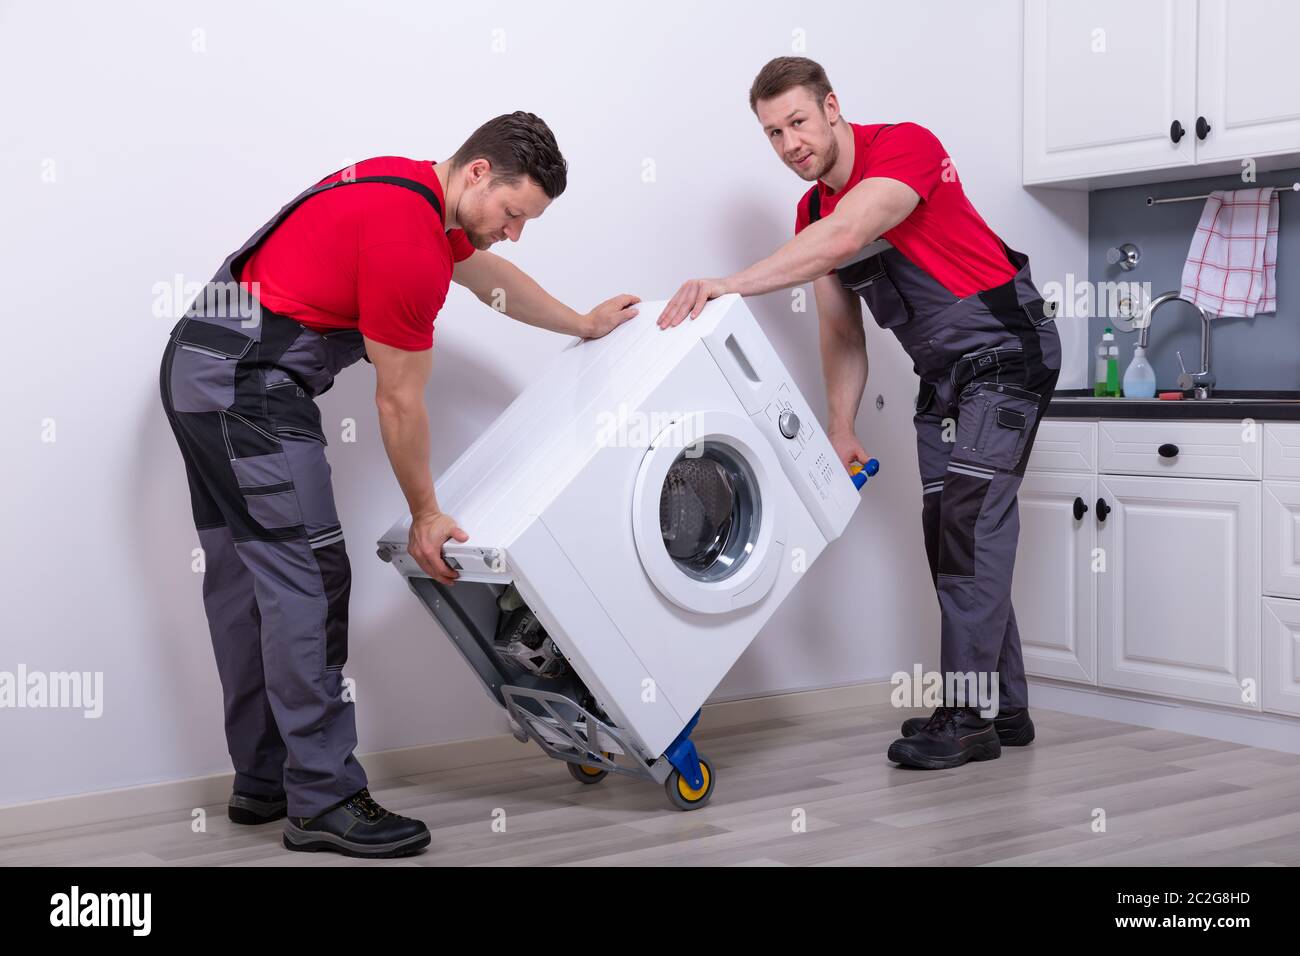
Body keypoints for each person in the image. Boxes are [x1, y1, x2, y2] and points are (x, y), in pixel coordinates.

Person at [159, 112, 640, 857]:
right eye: (514, 215)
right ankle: (323, 800)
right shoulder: (408, 241)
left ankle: (266, 781)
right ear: (479, 172)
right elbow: (399, 401)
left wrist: (578, 323)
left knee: (248, 581)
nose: (513, 233)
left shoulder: (410, 186)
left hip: (200, 365)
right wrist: (427, 514)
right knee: (308, 579)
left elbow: (489, 280)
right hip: (247, 388)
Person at [660, 58, 1060, 770]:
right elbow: (842, 332)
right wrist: (840, 425)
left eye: (798, 122)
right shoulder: (810, 213)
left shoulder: (906, 147)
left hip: (1007, 355)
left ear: (833, 107)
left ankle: (968, 716)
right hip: (944, 378)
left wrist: (730, 285)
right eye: (772, 133)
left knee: (970, 523)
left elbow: (850, 236)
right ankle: (1006, 707)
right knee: (949, 531)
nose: (789, 144)